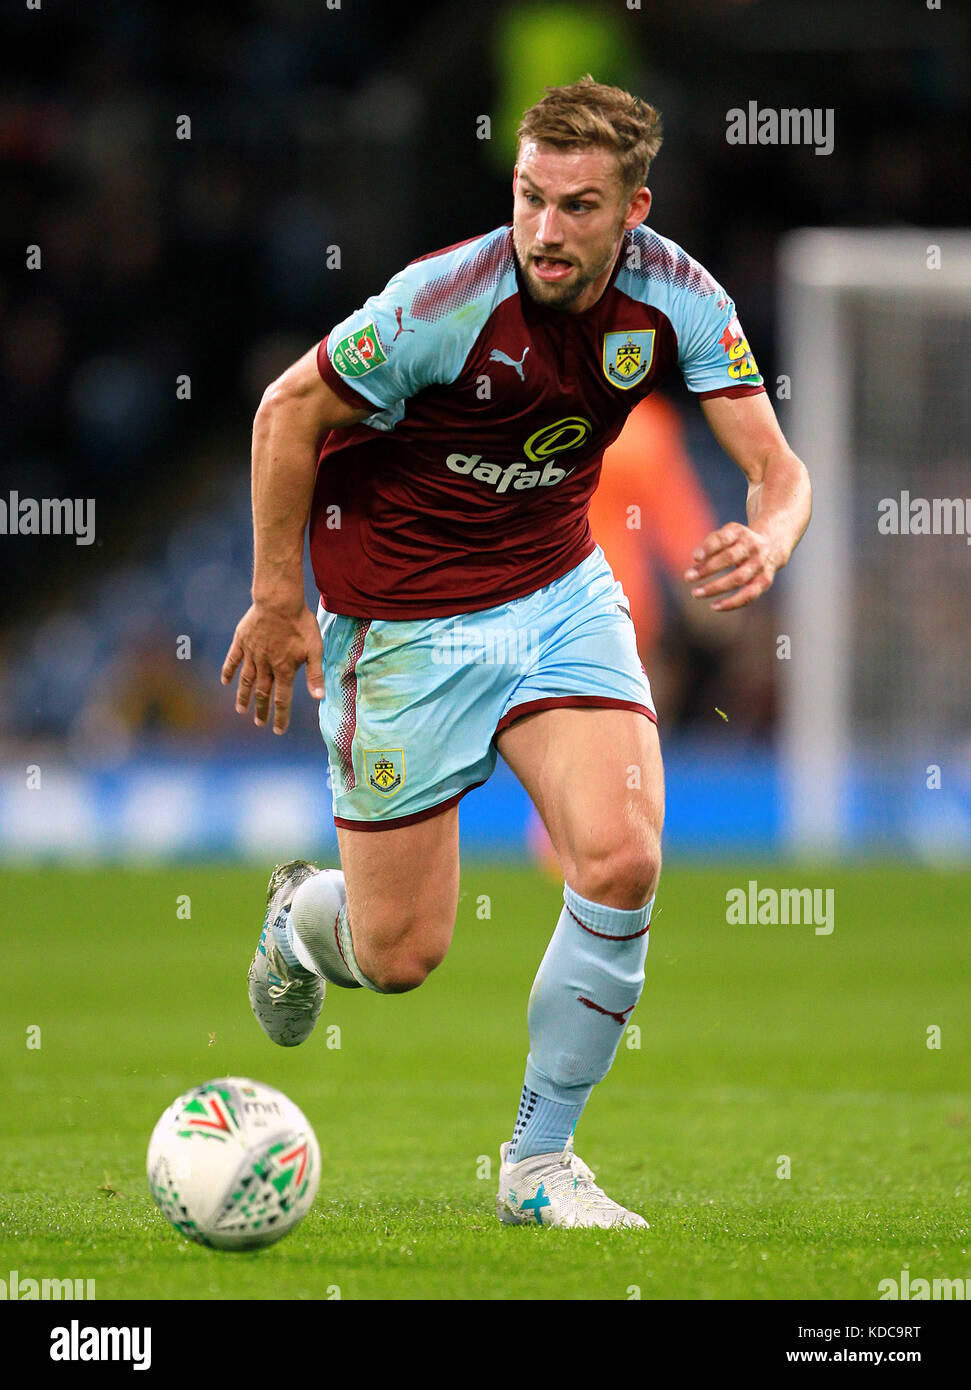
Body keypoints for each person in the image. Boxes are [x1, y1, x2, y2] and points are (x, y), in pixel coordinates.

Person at [222, 76, 812, 1229]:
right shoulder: (442, 302)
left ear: (632, 209)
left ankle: (538, 1165)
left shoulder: (679, 300)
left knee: (622, 857)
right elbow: (287, 409)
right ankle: (302, 916)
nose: (545, 230)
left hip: (555, 591)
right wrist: (274, 600)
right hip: (400, 620)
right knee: (398, 954)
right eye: (530, 198)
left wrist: (770, 535)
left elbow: (777, 472)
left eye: (578, 206)